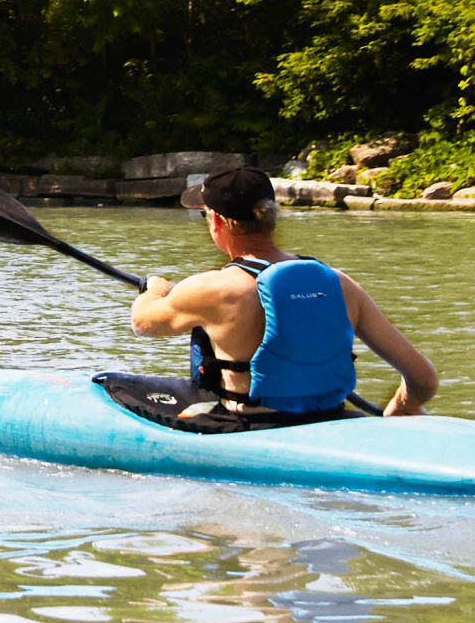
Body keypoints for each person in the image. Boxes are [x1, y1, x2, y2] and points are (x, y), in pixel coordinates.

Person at [113, 160, 439, 427]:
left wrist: (156, 288)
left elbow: (144, 322)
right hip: (331, 420)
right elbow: (423, 379)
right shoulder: (340, 284)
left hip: (252, 429)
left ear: (216, 222)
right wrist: (399, 407)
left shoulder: (213, 288)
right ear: (271, 216)